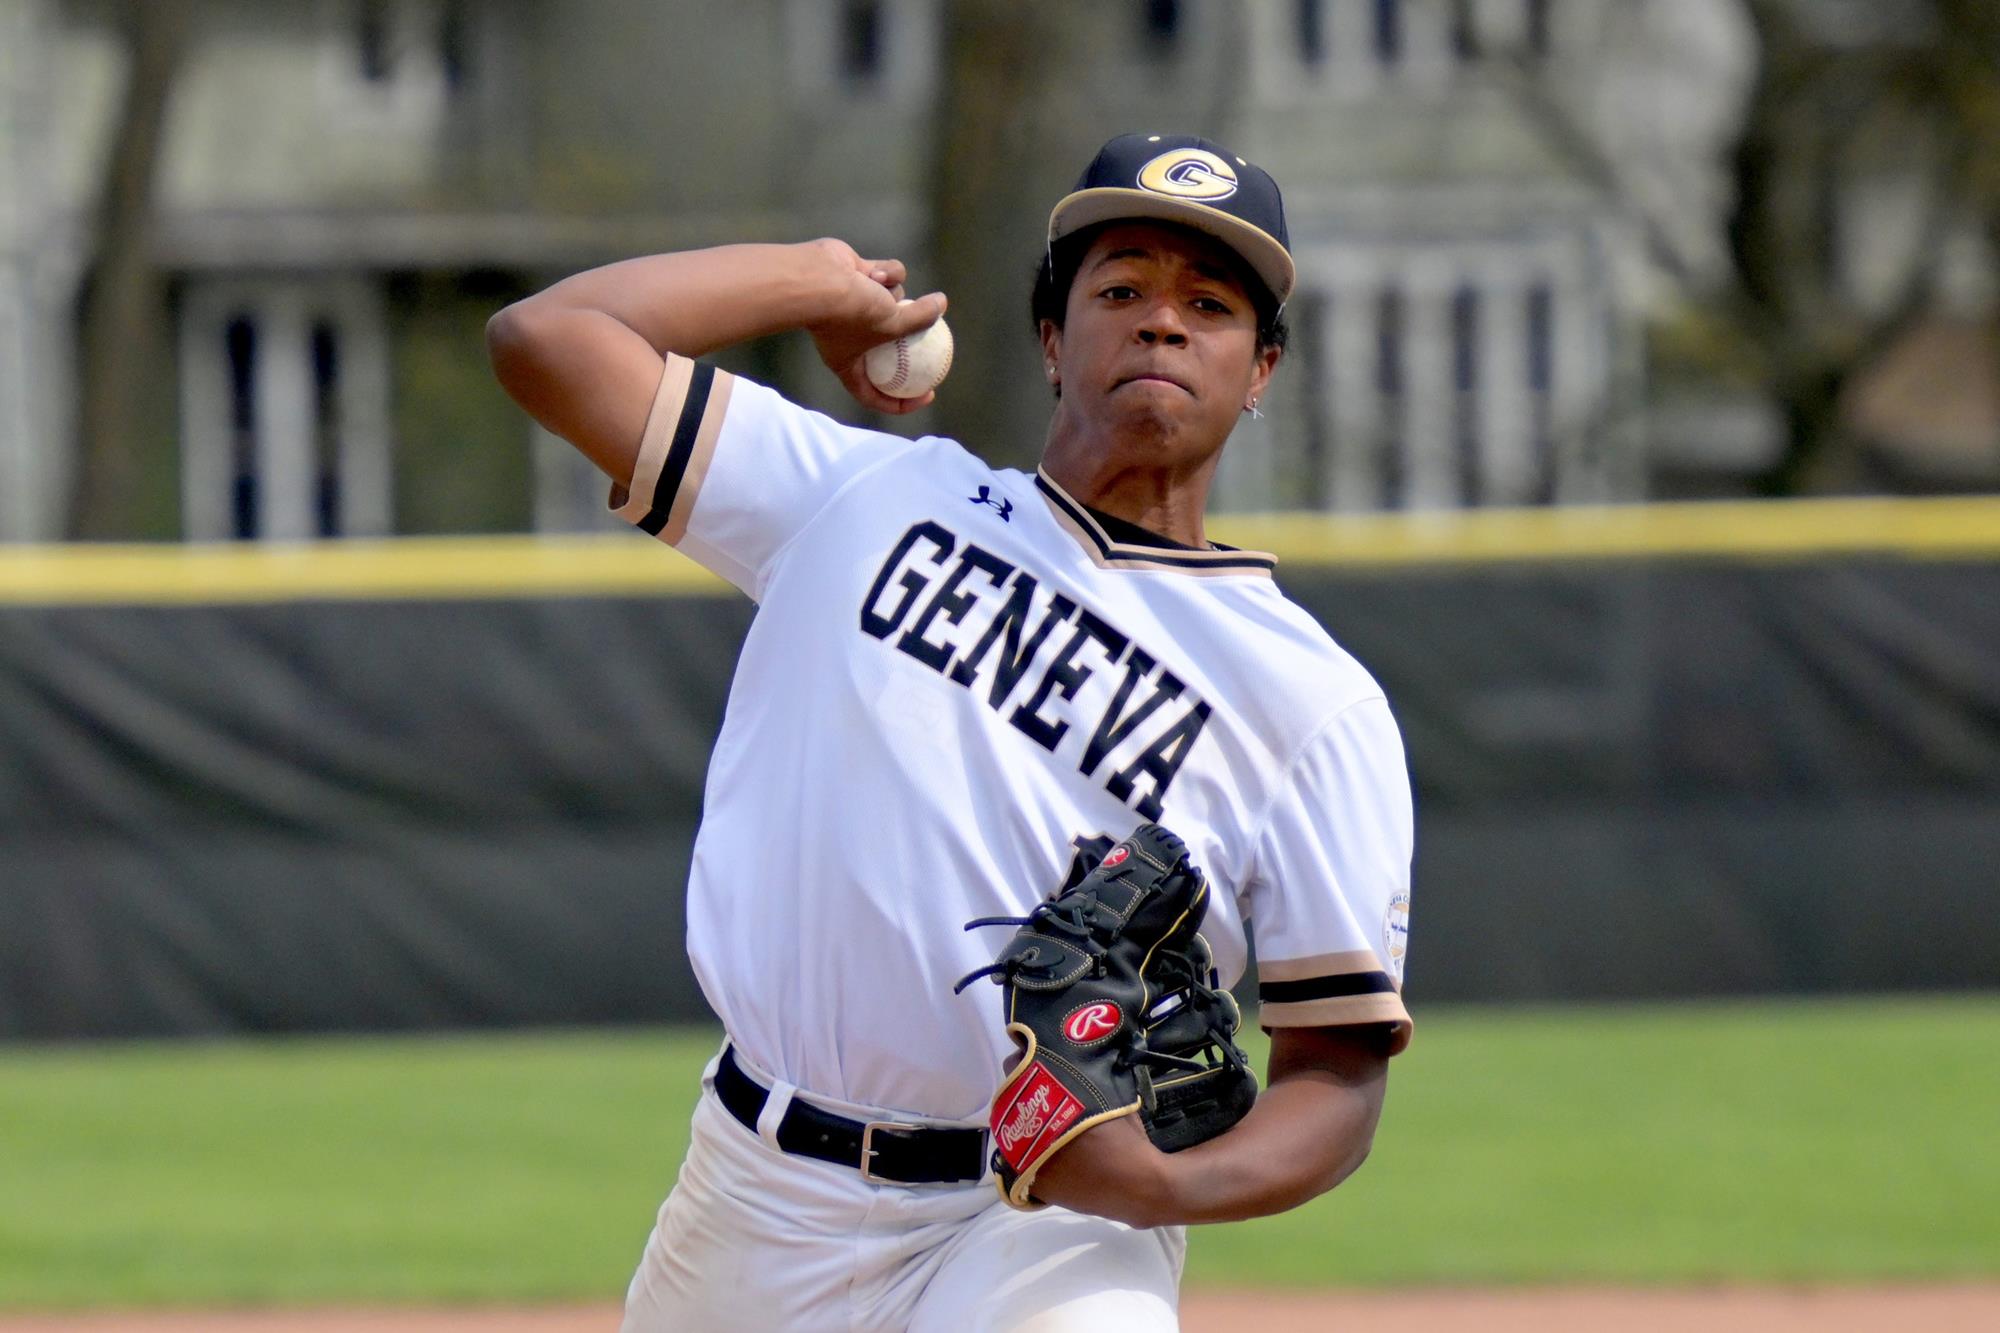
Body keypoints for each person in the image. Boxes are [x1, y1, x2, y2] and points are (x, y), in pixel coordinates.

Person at [487, 133, 1415, 1333]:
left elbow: (1336, 1072)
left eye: (1208, 305)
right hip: (755, 1189)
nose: (1161, 323)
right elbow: (549, 339)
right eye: (1120, 290)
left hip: (1043, 1218)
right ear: (1050, 339)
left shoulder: (1314, 705)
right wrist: (815, 282)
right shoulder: (862, 497)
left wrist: (1158, 1188)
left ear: (1260, 368)